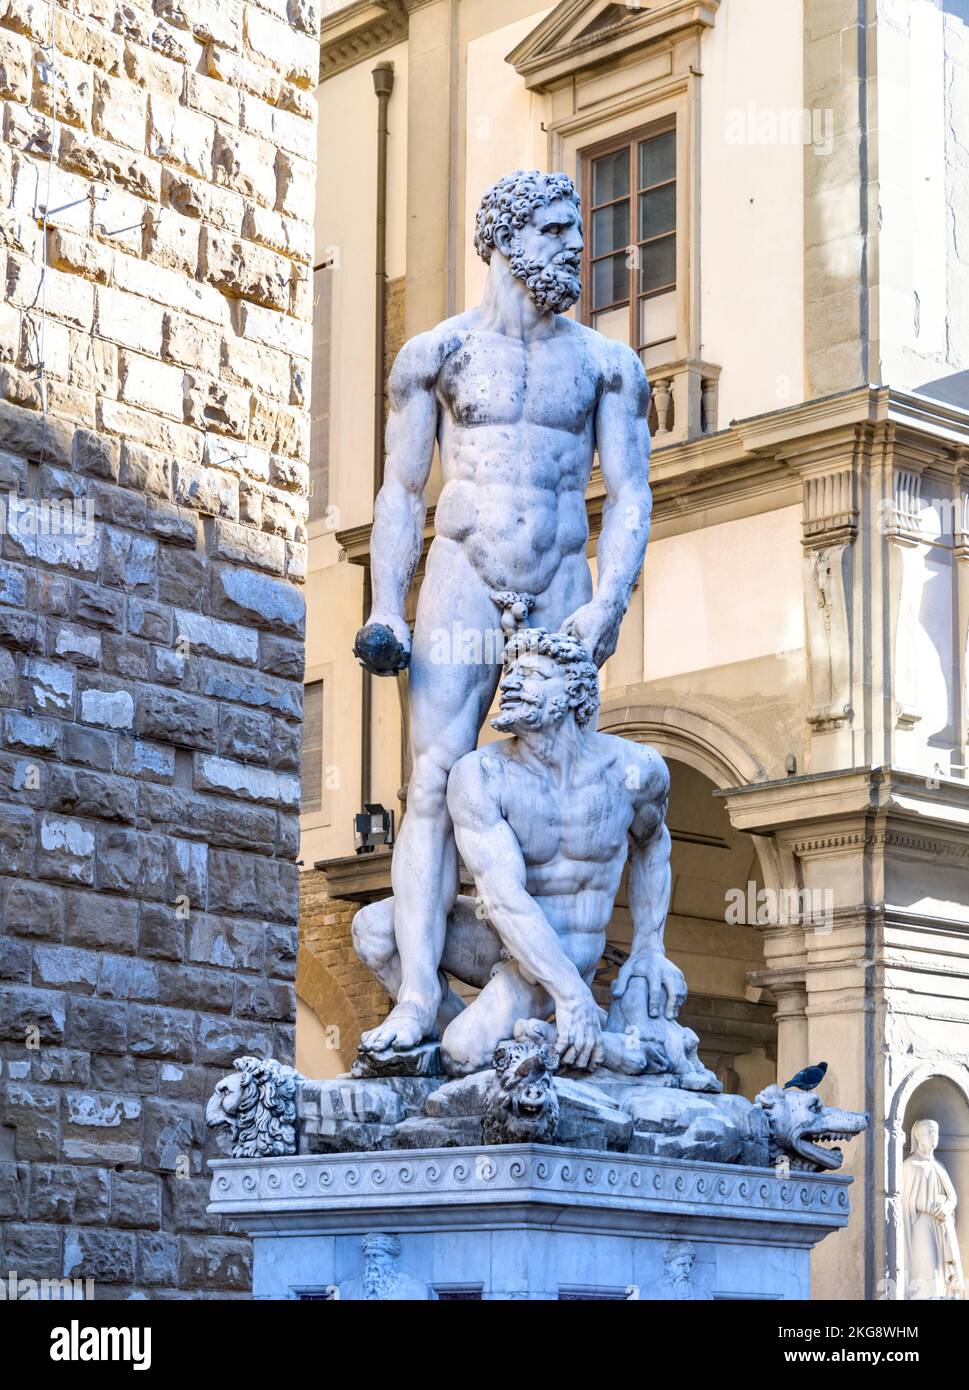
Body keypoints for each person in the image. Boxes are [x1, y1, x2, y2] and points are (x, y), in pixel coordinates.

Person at [354, 170, 652, 1056]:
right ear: (506, 237)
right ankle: (414, 997)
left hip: (562, 582)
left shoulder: (606, 365)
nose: (577, 243)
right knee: (436, 782)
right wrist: (385, 607)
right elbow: (403, 492)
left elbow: (631, 496)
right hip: (462, 576)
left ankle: (563, 998)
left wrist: (608, 600)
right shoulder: (436, 355)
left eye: (576, 228)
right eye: (559, 228)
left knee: (566, 785)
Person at [902, 1118, 964, 1300]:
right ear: (918, 1137)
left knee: (940, 1273)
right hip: (922, 1224)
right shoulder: (910, 1166)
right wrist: (933, 1208)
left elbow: (953, 1197)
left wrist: (945, 1206)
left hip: (942, 1225)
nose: (933, 1136)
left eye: (935, 1132)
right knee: (926, 1267)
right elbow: (907, 1199)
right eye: (929, 1132)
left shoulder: (939, 1167)